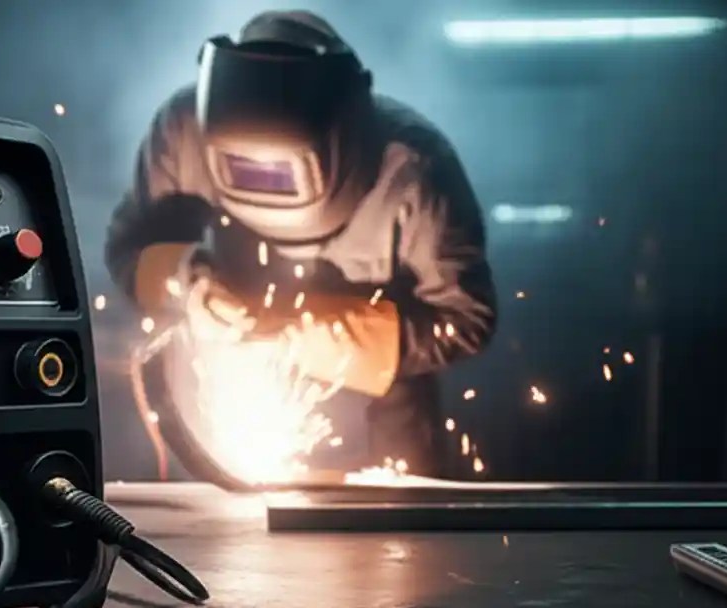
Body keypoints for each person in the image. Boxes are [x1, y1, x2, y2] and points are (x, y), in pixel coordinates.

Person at [105, 10, 497, 477]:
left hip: (386, 423)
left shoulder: (415, 171)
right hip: (224, 408)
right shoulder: (185, 131)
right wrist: (189, 287)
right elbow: (130, 247)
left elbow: (468, 318)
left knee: (394, 520)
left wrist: (314, 336)